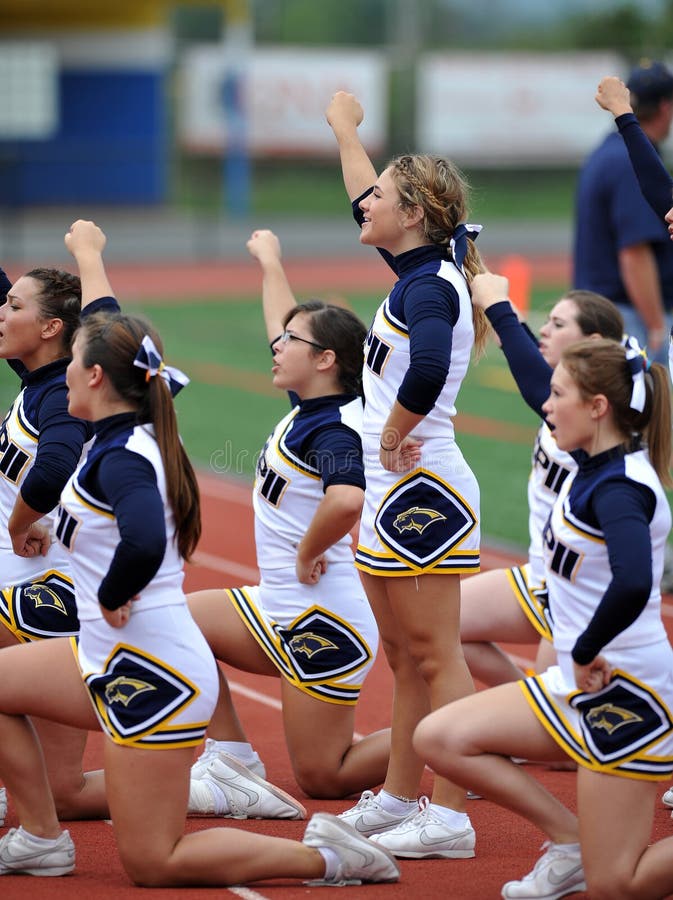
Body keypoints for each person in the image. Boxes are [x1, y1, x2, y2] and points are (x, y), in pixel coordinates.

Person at [0, 220, 401, 888]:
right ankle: (40, 835)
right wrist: (90, 257)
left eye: (73, 360)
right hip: (107, 655)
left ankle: (327, 856)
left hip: (153, 671)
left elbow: (146, 539)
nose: (60, 368)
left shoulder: (123, 457)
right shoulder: (115, 430)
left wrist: (109, 592)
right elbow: (106, 323)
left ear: (94, 376)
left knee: (154, 862)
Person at [415, 337, 673, 900]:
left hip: (625, 689)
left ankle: (591, 859)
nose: (546, 406)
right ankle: (568, 841)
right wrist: (501, 312)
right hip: (578, 683)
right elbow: (538, 384)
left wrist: (582, 650)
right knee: (440, 737)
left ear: (598, 407)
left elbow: (632, 580)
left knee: (617, 886)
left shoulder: (621, 488)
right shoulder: (592, 459)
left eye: (560, 395)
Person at [325, 90, 489, 860]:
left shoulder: (429, 286)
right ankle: (398, 794)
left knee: (435, 655)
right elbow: (365, 192)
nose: (365, 204)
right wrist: (345, 132)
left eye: (381, 197)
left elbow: (424, 367)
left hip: (421, 487)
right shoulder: (419, 266)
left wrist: (391, 434)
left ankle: (451, 813)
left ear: (415, 212)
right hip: (397, 489)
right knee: (402, 656)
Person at [186, 228, 389, 810]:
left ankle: (446, 738)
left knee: (325, 778)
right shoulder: (313, 406)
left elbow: (347, 499)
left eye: (292, 342)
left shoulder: (334, 428)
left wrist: (307, 550)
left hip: (324, 622)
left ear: (325, 360)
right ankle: (231, 760)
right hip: (278, 607)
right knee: (174, 624)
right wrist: (271, 261)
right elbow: (283, 323)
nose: (276, 346)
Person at [0, 255, 119, 825]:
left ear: (51, 329)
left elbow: (51, 471)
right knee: (64, 793)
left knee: (63, 795)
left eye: (13, 307)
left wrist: (20, 524)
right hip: (22, 591)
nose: (1, 314)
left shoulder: (57, 396)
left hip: (44, 598)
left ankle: (204, 785)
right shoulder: (38, 378)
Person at [460, 285, 624, 688]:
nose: (544, 330)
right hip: (544, 575)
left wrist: (499, 309)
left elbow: (533, 382)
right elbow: (528, 356)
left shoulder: (594, 412)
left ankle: (535, 712)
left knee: (567, 730)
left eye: (558, 323)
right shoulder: (567, 393)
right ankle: (524, 701)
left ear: (593, 343)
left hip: (580, 592)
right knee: (435, 628)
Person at [574, 59, 673, 365]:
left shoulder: (609, 152)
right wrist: (656, 324)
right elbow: (635, 252)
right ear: (666, 107)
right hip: (626, 316)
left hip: (601, 309)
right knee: (644, 410)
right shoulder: (629, 162)